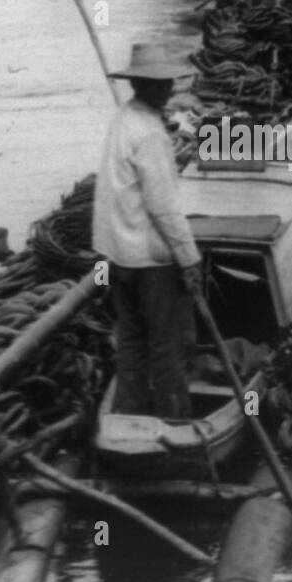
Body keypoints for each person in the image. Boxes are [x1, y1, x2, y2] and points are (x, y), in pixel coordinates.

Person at [92, 43, 203, 419]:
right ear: (150, 87)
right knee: (166, 344)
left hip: (118, 254)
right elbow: (164, 207)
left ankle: (129, 414)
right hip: (150, 260)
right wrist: (189, 258)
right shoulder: (151, 135)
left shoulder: (124, 118)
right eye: (164, 85)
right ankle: (173, 416)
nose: (170, 90)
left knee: (132, 341)